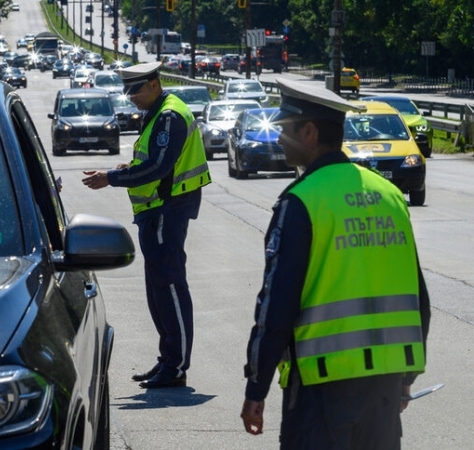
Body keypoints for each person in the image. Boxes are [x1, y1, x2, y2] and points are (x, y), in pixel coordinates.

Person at [240, 78, 432, 448]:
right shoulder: (388, 195)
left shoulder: (301, 203)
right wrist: (406, 376)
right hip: (385, 388)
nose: (278, 138)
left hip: (321, 388)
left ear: (309, 132)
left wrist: (256, 387)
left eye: (285, 129)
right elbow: (418, 297)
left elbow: (276, 307)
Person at [81, 61, 211, 389]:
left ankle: (177, 366)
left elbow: (157, 168)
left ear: (154, 83)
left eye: (136, 90)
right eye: (129, 92)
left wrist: (111, 177)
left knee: (169, 286)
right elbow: (153, 162)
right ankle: (167, 359)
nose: (132, 98)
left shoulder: (169, 115)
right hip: (156, 211)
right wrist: (129, 167)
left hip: (167, 209)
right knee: (158, 288)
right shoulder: (157, 112)